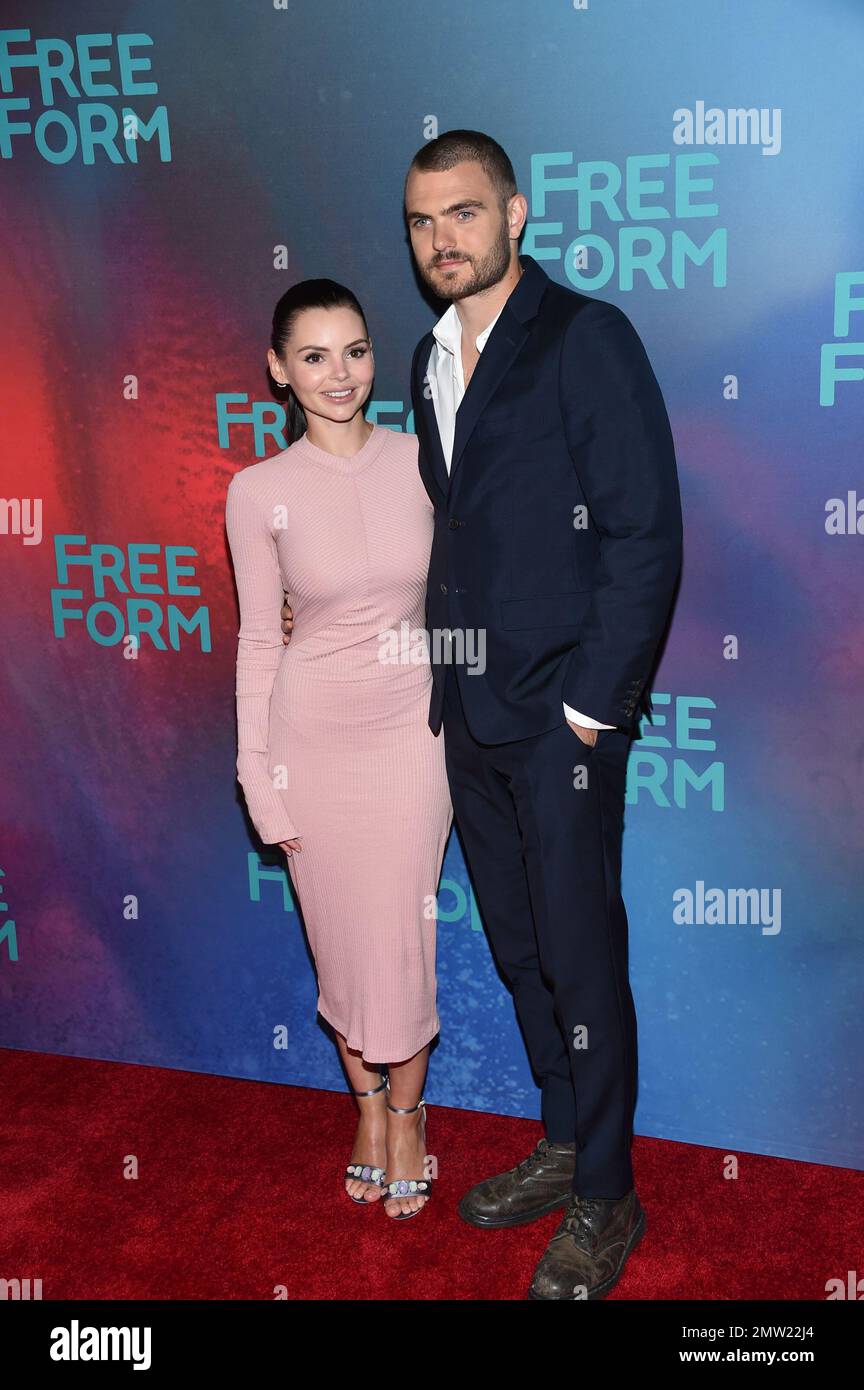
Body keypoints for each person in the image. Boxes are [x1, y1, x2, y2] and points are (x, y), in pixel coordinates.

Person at [283, 129, 682, 1299]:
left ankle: (609, 1194)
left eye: (462, 213)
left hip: (559, 725)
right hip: (470, 719)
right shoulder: (425, 358)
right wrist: (451, 691)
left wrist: (589, 716)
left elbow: (643, 535)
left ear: (517, 212)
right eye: (420, 222)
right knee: (519, 952)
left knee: (580, 952)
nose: (441, 238)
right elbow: (459, 544)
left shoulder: (586, 337)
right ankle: (563, 1142)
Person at [226, 279, 452, 1219]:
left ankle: (409, 1116)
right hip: (307, 740)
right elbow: (258, 641)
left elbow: (463, 602)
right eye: (313, 357)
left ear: (374, 356)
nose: (339, 374)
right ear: (280, 371)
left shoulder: (424, 461)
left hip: (414, 731)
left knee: (401, 937)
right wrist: (254, 769)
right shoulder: (257, 491)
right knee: (341, 946)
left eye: (354, 351)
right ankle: (366, 1108)